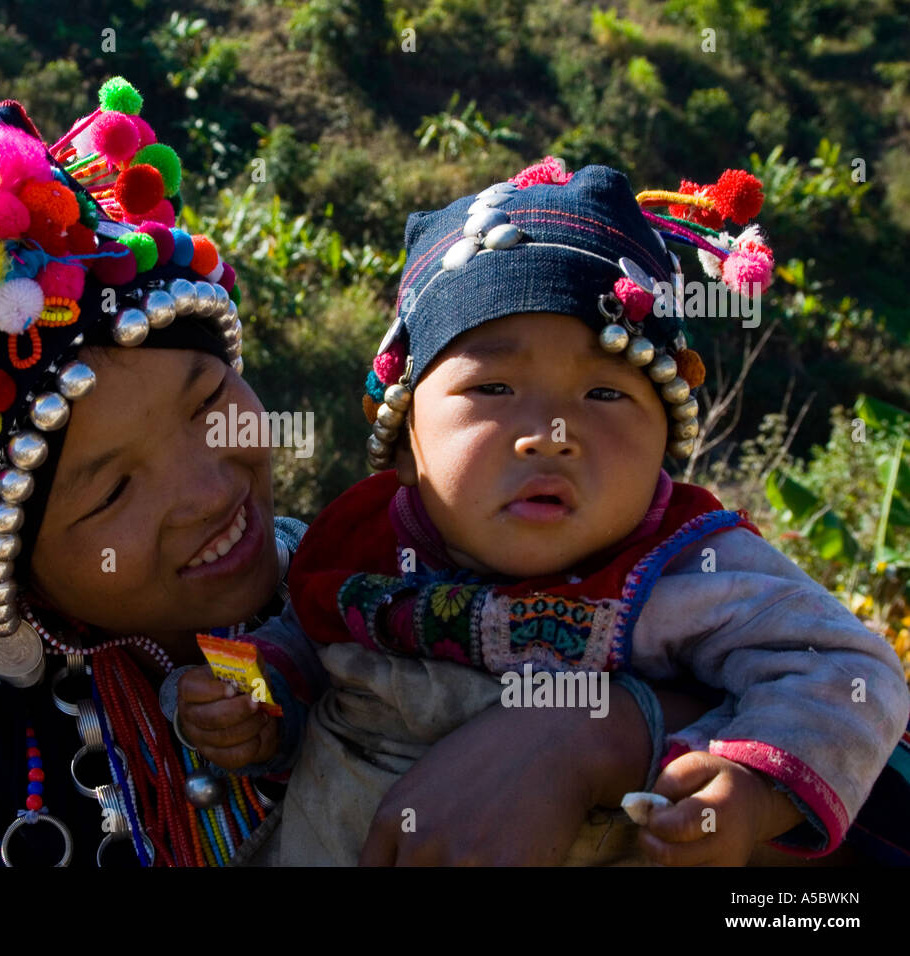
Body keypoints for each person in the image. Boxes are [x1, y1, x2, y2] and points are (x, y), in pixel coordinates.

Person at [0, 66, 710, 868]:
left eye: (207, 405)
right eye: (110, 487)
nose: (205, 490)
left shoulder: (368, 579)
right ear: (8, 566)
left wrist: (588, 731)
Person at [179, 158, 910, 866]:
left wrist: (749, 789)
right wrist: (251, 696)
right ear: (401, 443)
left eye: (605, 395)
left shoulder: (687, 564)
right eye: (493, 390)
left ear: (666, 443)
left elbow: (848, 674)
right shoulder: (361, 539)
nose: (550, 436)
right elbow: (305, 637)